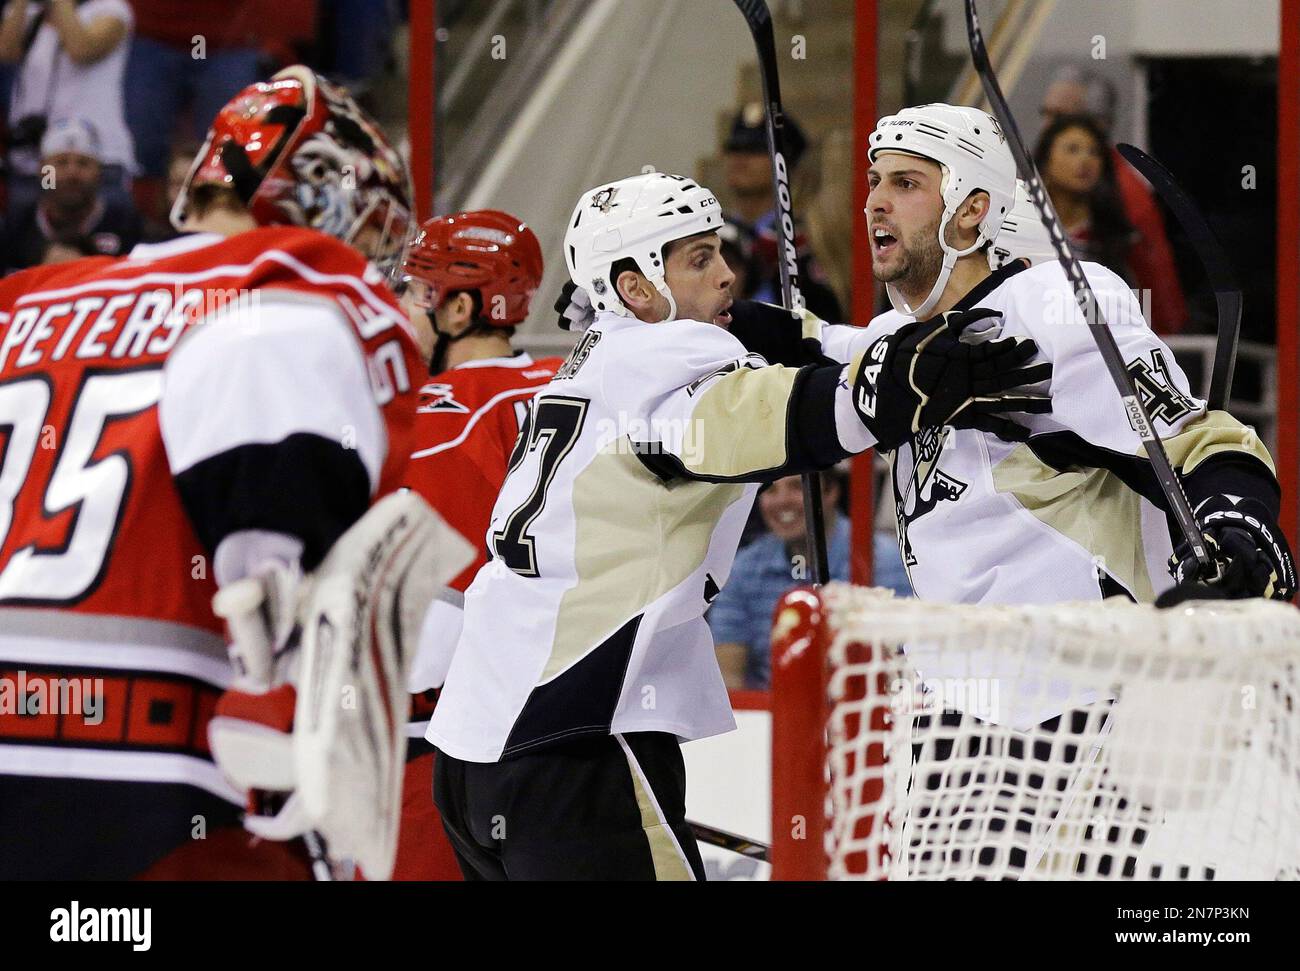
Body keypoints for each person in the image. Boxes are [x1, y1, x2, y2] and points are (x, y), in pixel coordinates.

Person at [428, 170, 1051, 880]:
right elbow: (788, 418)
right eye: (699, 259)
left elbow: (774, 371)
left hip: (472, 752)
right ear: (635, 289)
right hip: (578, 745)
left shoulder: (590, 364)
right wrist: (913, 382)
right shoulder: (667, 362)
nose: (728, 275)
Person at [0, 65, 464, 879]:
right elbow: (278, 533)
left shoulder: (25, 300)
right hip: (153, 775)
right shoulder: (286, 286)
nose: (371, 266)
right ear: (326, 197)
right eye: (372, 238)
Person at [852, 102, 1291, 877]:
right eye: (874, 181)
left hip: (1077, 702)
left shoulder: (1051, 304)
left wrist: (1238, 525)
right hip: (961, 707)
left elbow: (1198, 438)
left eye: (907, 183)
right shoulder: (895, 341)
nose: (876, 201)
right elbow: (814, 368)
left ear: (971, 209)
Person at [394, 209, 562, 881]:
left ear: (459, 308)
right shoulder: (574, 384)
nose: (403, 309)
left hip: (450, 757)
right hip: (588, 740)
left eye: (415, 292)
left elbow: (423, 640)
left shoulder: (438, 414)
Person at [708, 467, 911, 690]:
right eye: (770, 489)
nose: (782, 501)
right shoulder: (743, 567)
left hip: (858, 713)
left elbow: (902, 667)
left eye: (797, 486)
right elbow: (728, 675)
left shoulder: (885, 561)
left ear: (831, 491)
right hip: (770, 716)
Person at [1039, 66, 1188, 335]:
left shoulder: (1127, 196)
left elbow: (1154, 285)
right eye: (1046, 114)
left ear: (1099, 126)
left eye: (1060, 117)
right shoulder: (1018, 201)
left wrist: (1164, 342)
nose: (1048, 126)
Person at [0, 0, 136, 213]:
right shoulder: (30, 13)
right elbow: (6, 52)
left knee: (99, 238)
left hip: (94, 156)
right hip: (36, 158)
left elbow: (80, 49)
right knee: (31, 239)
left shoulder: (111, 9)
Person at [721, 101, 843, 321]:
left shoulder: (809, 240)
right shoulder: (716, 235)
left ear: (785, 162)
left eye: (756, 150)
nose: (740, 159)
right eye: (734, 149)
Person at [1, 118, 140, 272]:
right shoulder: (15, 227)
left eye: (83, 163)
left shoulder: (127, 225)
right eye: (61, 163)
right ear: (43, 171)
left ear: (99, 173)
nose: (72, 173)